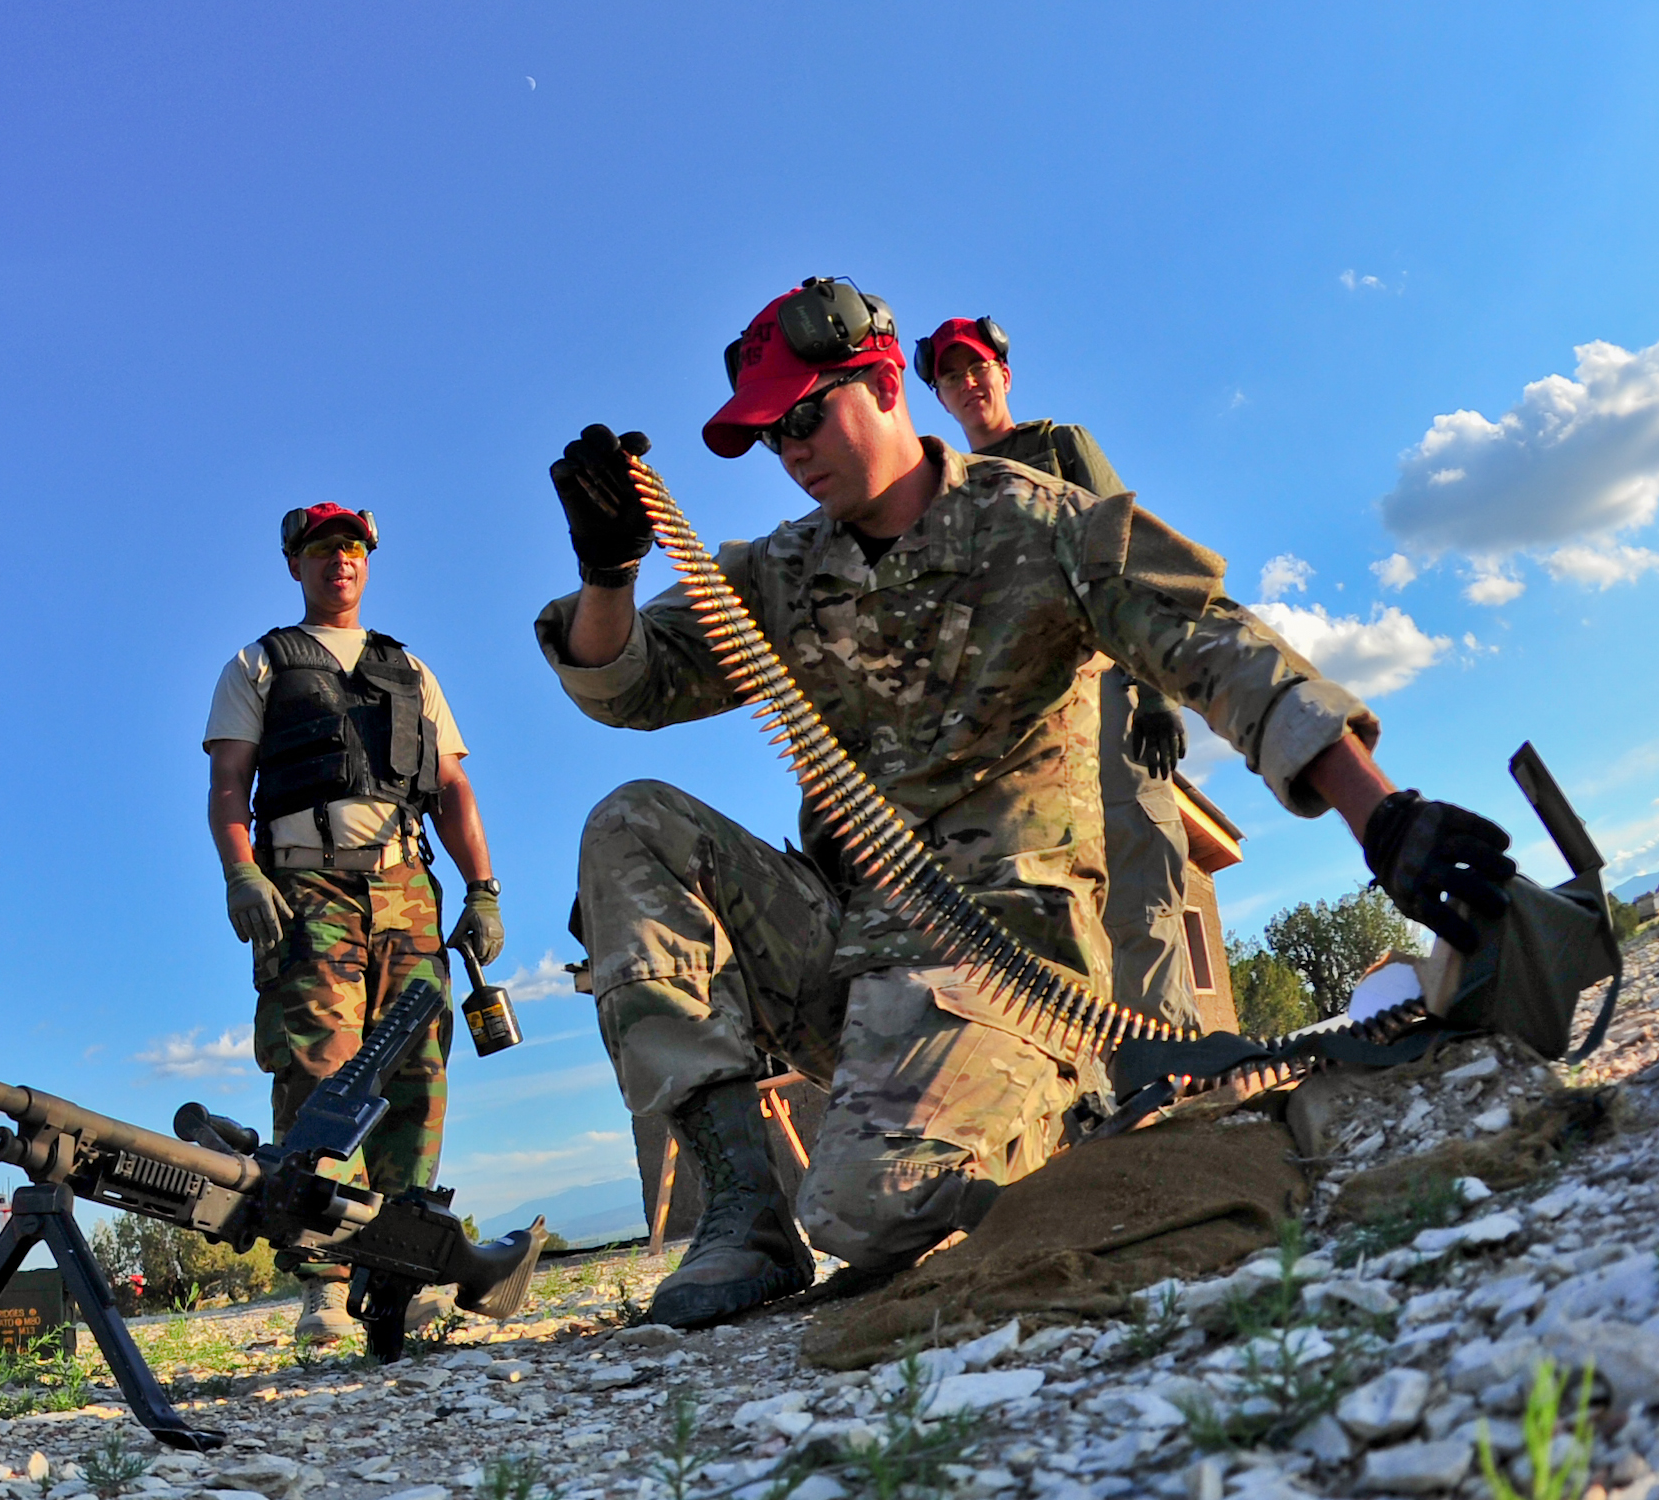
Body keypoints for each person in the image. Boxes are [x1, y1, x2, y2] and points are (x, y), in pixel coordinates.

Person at [537, 277, 1514, 1328]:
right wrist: (610, 572)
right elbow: (626, 682)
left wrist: (1384, 814)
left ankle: (1065, 1100)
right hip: (852, 947)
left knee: (865, 1211)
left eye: (807, 416)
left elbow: (1223, 647)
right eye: (773, 435)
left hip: (1009, 956)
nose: (793, 451)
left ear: (880, 380)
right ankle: (744, 1212)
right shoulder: (778, 574)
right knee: (631, 820)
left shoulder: (1037, 524)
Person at [205, 503, 505, 1349]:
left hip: (407, 887)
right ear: (295, 564)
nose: (339, 561)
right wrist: (241, 873)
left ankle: (403, 1271)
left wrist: (483, 888)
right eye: (322, 550)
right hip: (306, 888)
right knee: (321, 1080)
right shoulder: (258, 664)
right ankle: (326, 1284)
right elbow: (229, 783)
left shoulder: (408, 668)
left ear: (367, 563)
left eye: (352, 550)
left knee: (418, 1078)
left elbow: (452, 789)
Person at [917, 314, 1198, 1029]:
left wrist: (1157, 694)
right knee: (1041, 910)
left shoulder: (1057, 447)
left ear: (1003, 374)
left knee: (1141, 877)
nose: (968, 383)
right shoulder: (948, 491)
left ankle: (1174, 1067)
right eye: (951, 376)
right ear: (938, 397)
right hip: (1017, 730)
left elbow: (1131, 560)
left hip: (1101, 690)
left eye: (976, 367)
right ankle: (1089, 1094)